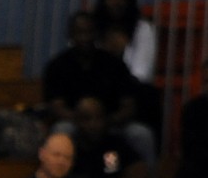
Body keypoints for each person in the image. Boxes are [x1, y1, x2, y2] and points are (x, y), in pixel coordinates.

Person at [43, 10, 153, 167]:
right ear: (70, 35)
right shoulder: (57, 66)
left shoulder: (114, 64)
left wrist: (106, 121)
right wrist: (85, 121)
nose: (84, 37)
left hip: (111, 122)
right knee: (61, 130)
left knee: (141, 134)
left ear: (96, 34)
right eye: (79, 32)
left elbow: (129, 105)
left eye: (88, 32)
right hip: (75, 122)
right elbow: (56, 107)